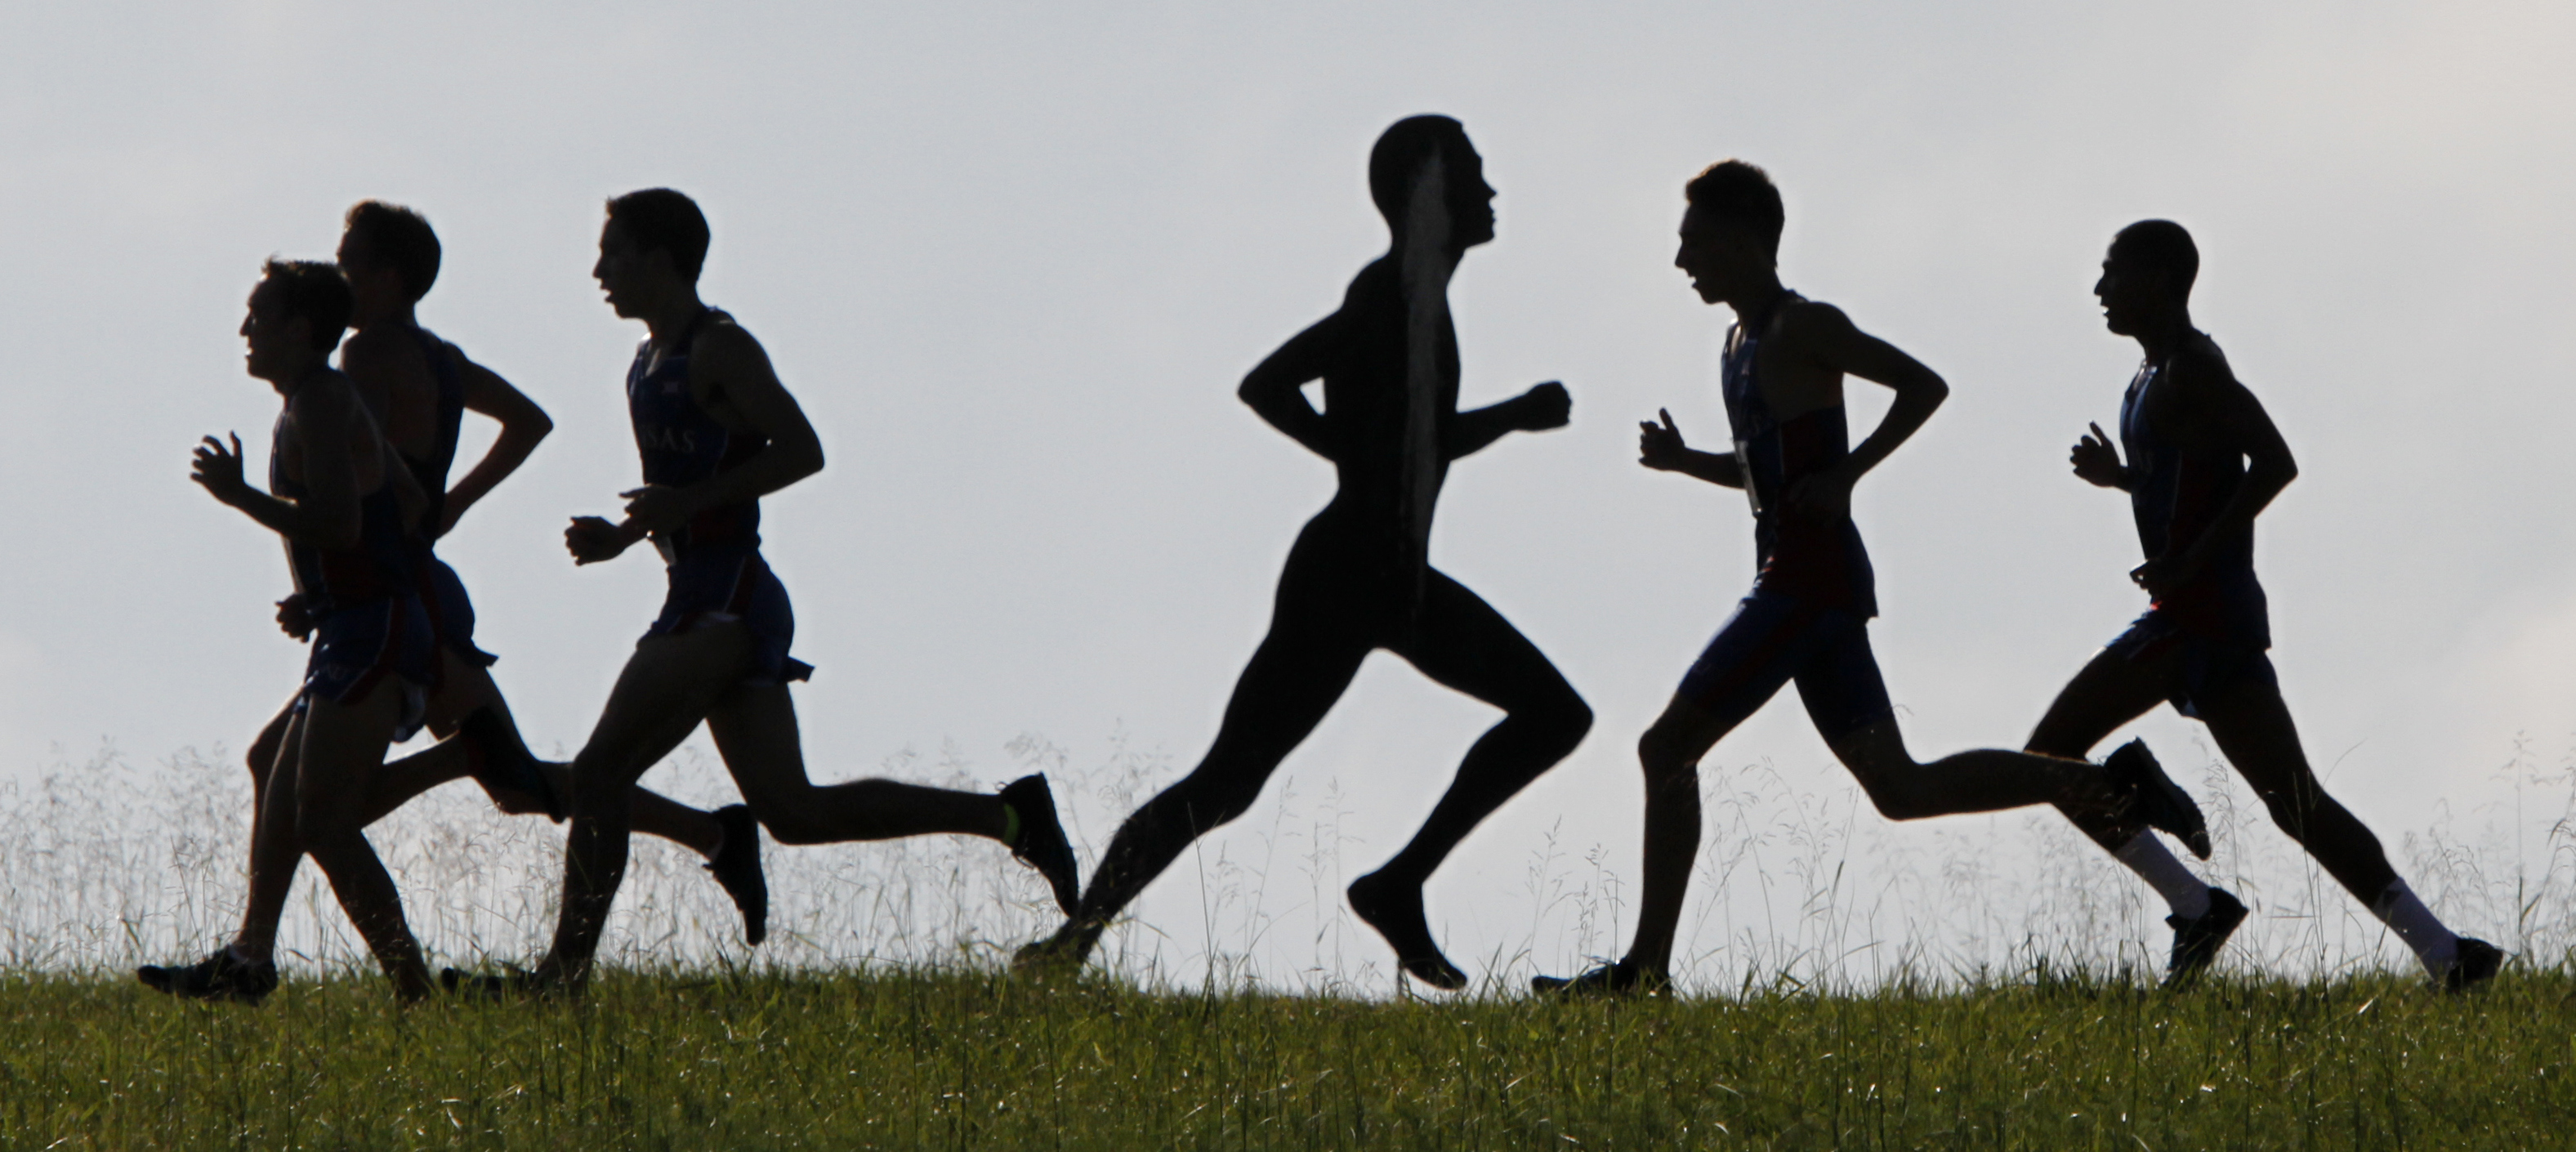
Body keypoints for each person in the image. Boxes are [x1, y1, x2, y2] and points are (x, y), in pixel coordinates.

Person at [1532, 162, 2208, 997]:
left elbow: (1923, 387)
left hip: (1803, 583)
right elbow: (1772, 473)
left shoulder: (1803, 326)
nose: (1683, 262)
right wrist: (1686, 464)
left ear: (1746, 240)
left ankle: (1646, 969)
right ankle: (2130, 814)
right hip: (1807, 586)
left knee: (1666, 748)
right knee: (1900, 786)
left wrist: (1851, 474)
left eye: (1695, 242)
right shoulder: (1737, 345)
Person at [1015, 116, 1594, 990]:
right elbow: (1271, 385)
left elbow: (1406, 438)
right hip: (1348, 574)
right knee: (1228, 782)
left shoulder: (1422, 294)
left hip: (1389, 576)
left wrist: (1479, 426)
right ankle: (1071, 947)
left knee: (1555, 715)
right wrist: (1377, 455)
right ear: (1426, 193)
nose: (1490, 191)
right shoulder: (1390, 293)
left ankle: (1397, 884)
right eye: (1471, 175)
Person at [146, 206, 774, 1007]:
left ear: (390, 278)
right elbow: (524, 424)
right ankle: (713, 834)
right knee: (476, 778)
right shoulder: (440, 361)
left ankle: (262, 958)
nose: (342, 279)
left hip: (401, 597)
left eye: (353, 265)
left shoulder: (359, 362)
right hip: (408, 585)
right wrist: (449, 507)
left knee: (406, 786)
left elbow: (363, 493)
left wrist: (368, 548)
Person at [485, 189, 1078, 995]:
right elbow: (689, 483)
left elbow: (802, 451)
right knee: (793, 815)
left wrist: (683, 509)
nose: (599, 271)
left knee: (597, 774)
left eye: (613, 253)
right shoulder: (644, 362)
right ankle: (1010, 817)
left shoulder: (719, 348)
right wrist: (627, 536)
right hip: (700, 590)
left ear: (662, 261)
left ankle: (562, 977)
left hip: (728, 598)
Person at [2025, 220, 2501, 989]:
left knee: (2045, 755)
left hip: (2195, 618)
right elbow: (2194, 476)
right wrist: (2122, 480)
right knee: (2298, 807)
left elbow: (2273, 462)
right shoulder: (2145, 380)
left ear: (2159, 278)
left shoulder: (2191, 368)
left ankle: (2191, 899)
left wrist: (2188, 561)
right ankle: (2449, 955)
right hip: (2208, 618)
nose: (2099, 290)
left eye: (2112, 272)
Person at [145, 260, 441, 1002]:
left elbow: (342, 522)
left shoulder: (321, 400)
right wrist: (319, 596)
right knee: (266, 758)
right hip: (352, 622)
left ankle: (413, 991)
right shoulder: (315, 398)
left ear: (299, 330)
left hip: (372, 629)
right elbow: (405, 499)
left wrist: (243, 497)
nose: (245, 330)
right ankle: (249, 959)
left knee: (326, 823)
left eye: (258, 316)